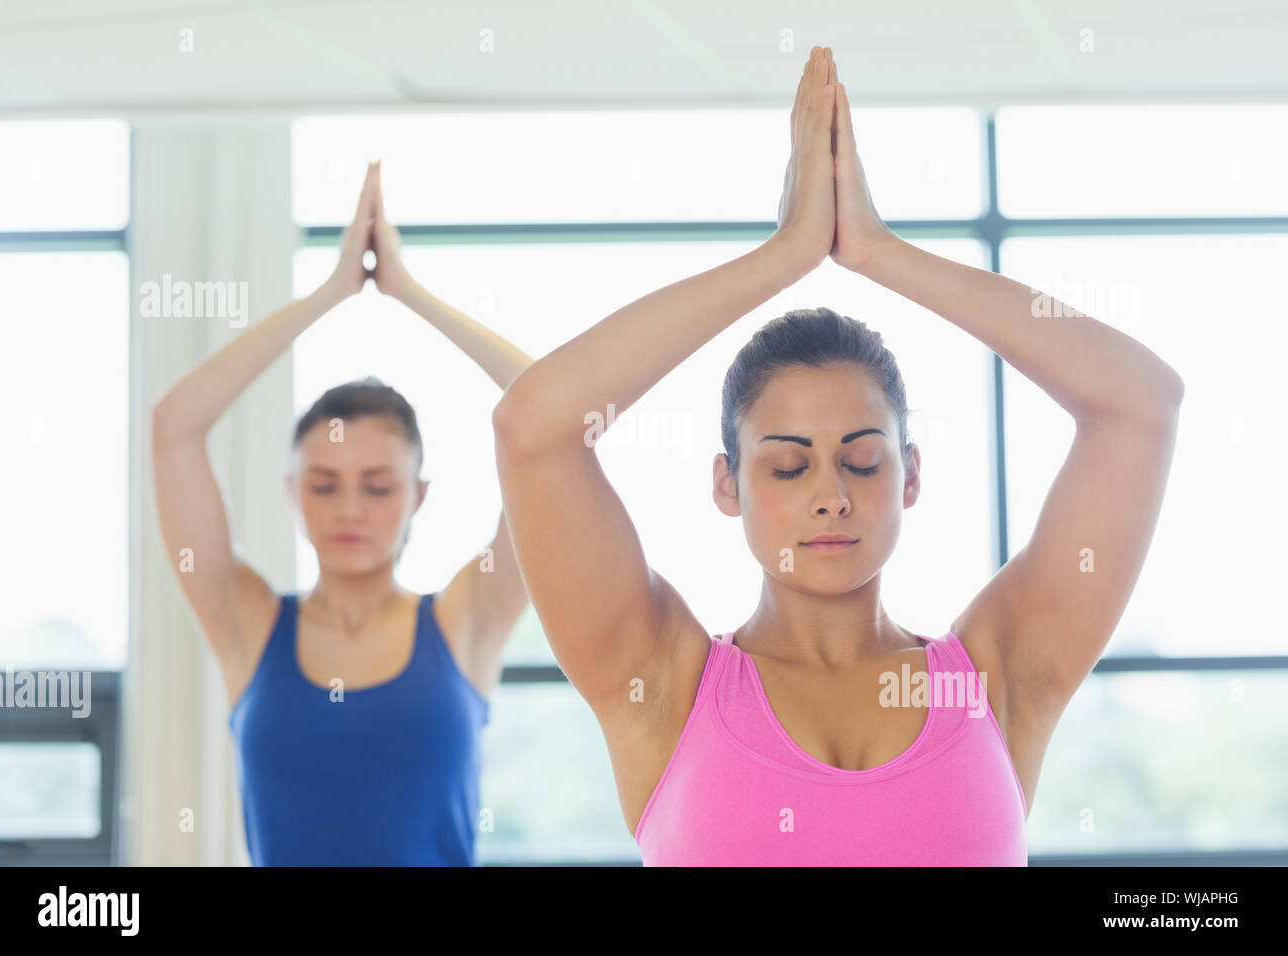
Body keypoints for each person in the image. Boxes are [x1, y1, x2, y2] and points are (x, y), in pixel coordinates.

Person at [491, 46, 1183, 865]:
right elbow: (532, 427)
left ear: (911, 474)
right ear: (728, 484)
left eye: (862, 460)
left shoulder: (999, 674)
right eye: (788, 465)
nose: (830, 495)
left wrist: (880, 253)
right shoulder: (661, 683)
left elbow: (1141, 403)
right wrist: (782, 255)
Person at [152, 162, 531, 865]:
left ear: (419, 494)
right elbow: (174, 425)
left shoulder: (467, 618)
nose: (349, 508)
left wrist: (407, 294)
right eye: (323, 484)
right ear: (292, 491)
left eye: (379, 486)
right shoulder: (247, 624)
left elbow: (549, 410)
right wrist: (330, 293)